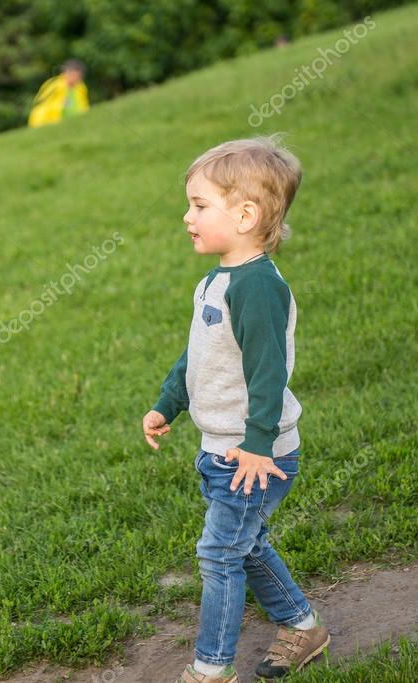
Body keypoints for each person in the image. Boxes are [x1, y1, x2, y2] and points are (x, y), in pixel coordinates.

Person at [141, 137, 329, 682]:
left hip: (254, 456)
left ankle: (211, 669)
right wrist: (167, 405)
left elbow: (269, 377)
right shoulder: (216, 281)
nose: (187, 216)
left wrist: (255, 445)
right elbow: (198, 356)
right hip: (221, 451)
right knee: (244, 546)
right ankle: (303, 623)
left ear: (246, 215)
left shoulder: (258, 289)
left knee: (219, 554)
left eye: (200, 206)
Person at [27, 58, 89, 128]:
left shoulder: (81, 87)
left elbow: (84, 107)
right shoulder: (54, 85)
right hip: (50, 124)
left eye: (79, 77)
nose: (77, 79)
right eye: (75, 75)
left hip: (73, 125)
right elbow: (39, 106)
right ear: (67, 72)